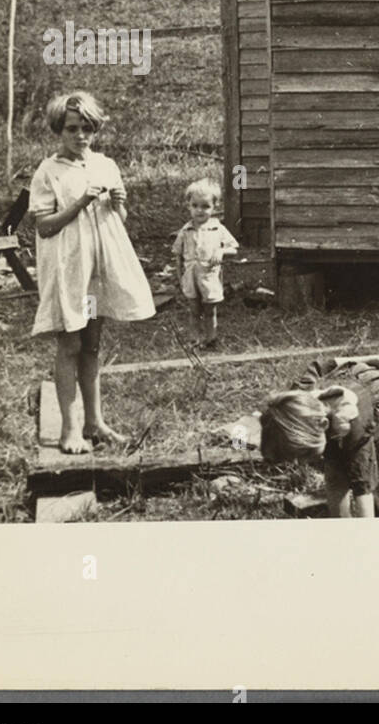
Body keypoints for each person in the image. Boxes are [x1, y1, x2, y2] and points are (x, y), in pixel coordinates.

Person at [29, 92, 155, 453]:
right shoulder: (48, 171)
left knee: (92, 344)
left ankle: (94, 421)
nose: (80, 136)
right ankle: (70, 428)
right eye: (72, 129)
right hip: (70, 269)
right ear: (59, 130)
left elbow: (119, 219)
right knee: (69, 343)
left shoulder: (105, 165)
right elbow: (44, 227)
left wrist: (118, 203)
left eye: (87, 129)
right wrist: (80, 202)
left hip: (97, 271)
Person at [259, 354, 379, 518]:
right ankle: (340, 523)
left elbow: (362, 486)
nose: (301, 462)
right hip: (349, 396)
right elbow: (323, 364)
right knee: (334, 471)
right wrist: (373, 358)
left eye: (303, 455)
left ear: (323, 425)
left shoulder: (355, 426)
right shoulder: (295, 401)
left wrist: (373, 359)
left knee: (375, 474)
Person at [172, 177, 239, 348]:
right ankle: (195, 339)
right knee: (194, 311)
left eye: (205, 206)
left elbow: (234, 248)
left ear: (214, 207)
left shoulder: (218, 228)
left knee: (210, 311)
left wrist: (221, 251)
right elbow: (177, 255)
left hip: (209, 278)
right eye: (195, 206)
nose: (199, 211)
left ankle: (211, 339)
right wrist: (180, 278)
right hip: (191, 278)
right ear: (189, 205)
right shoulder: (185, 230)